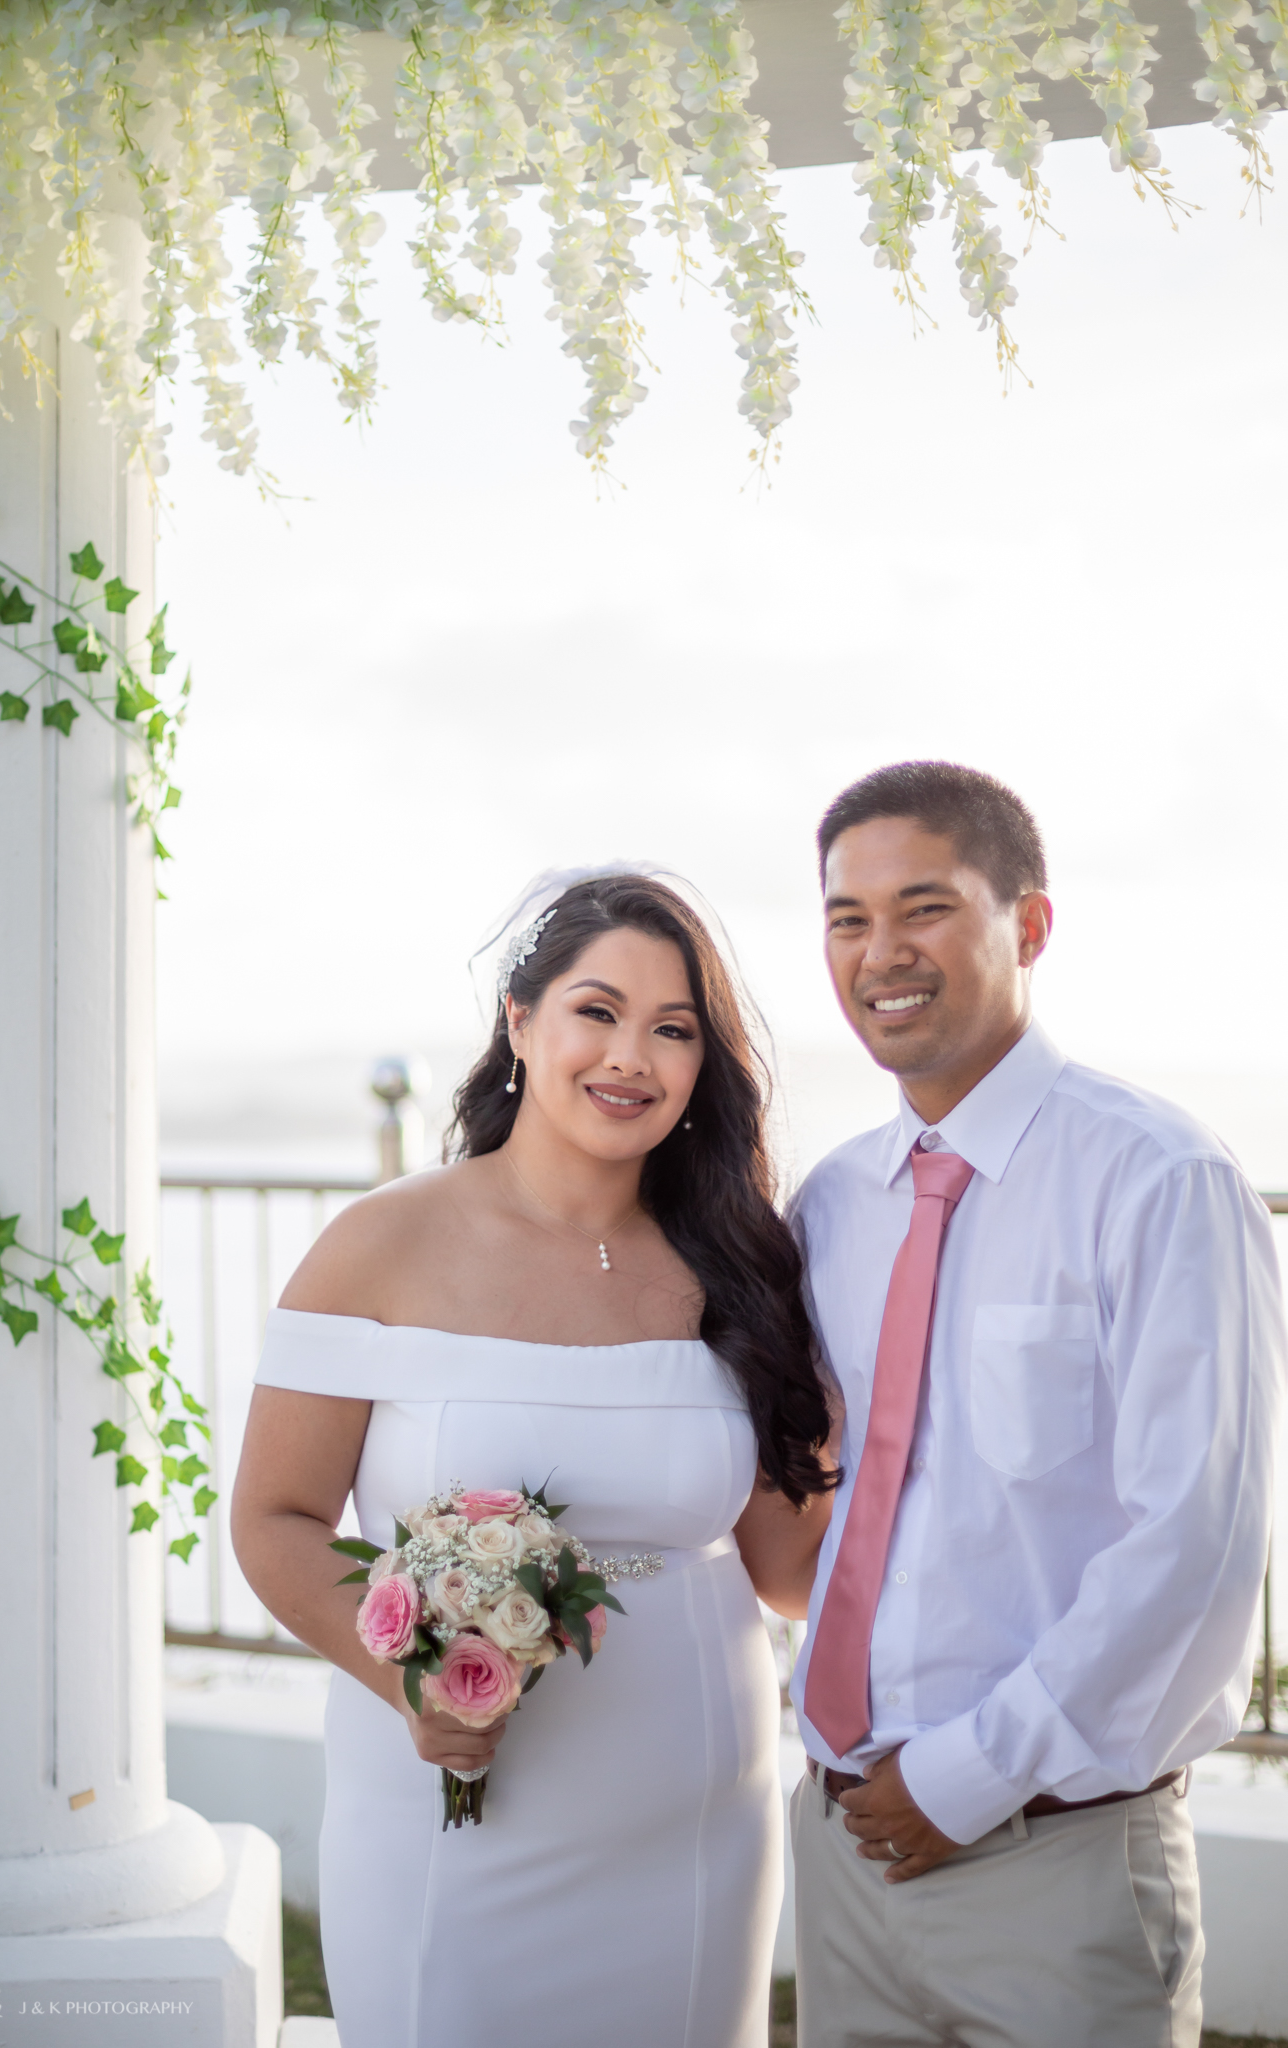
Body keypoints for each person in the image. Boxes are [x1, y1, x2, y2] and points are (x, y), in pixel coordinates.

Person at [231, 870, 835, 2048]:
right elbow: (274, 1518)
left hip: (696, 1819)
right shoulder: (377, 1245)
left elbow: (787, 1564)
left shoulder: (738, 1267)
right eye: (597, 1011)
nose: (631, 1057)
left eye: (673, 1029)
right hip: (454, 1801)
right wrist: (412, 1682)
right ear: (520, 1021)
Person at [788, 760, 1285, 2048]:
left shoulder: (1159, 1178)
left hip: (1050, 1863)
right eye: (847, 918)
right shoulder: (835, 1204)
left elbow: (1196, 1544)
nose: (880, 952)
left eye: (925, 906)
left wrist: (963, 1776)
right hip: (840, 1851)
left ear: (1031, 923)